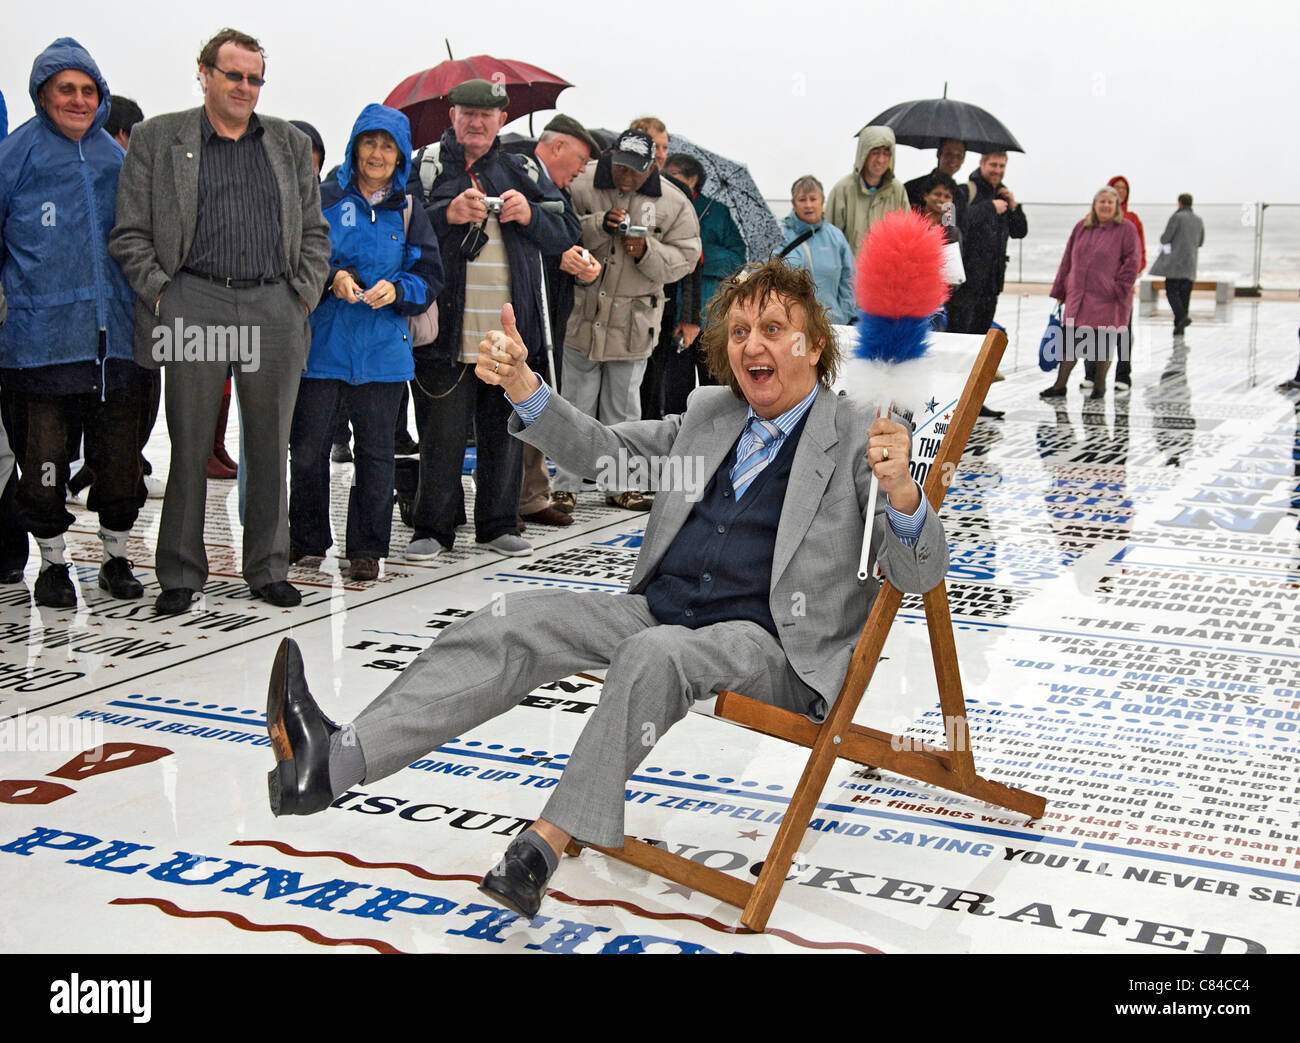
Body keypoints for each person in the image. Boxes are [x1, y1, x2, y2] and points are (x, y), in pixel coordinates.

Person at [264, 259, 948, 920]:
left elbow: (916, 574)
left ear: (815, 344)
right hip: (661, 610)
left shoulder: (862, 433)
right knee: (515, 621)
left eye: (773, 328)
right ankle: (334, 762)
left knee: (659, 654)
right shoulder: (711, 414)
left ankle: (542, 846)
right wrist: (527, 385)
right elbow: (599, 452)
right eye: (739, 332)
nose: (752, 345)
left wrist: (904, 494)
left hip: (770, 643)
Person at [110, 27, 331, 615]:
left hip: (273, 305)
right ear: (204, 73)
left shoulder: (285, 142)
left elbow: (314, 231)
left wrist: (301, 295)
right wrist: (164, 296)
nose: (245, 87)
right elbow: (129, 232)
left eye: (255, 78)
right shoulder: (159, 137)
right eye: (233, 74)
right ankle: (180, 573)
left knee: (268, 445)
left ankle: (267, 567)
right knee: (188, 444)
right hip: (194, 301)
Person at [0, 38, 149, 608]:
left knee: (119, 467)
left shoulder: (118, 161)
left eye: (89, 90)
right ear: (43, 94)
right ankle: (54, 564)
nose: (79, 100)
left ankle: (115, 555)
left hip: (115, 349)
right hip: (38, 348)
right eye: (68, 89)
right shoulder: (14, 158)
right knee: (41, 468)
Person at [402, 78, 578, 561]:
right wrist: (445, 214)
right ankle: (432, 529)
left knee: (505, 433)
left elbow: (567, 230)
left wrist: (530, 215)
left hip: (506, 336)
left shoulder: (521, 167)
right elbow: (398, 225)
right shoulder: (427, 166)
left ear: (502, 119)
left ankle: (499, 523)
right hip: (445, 332)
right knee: (441, 435)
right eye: (466, 113)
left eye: (486, 115)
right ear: (452, 117)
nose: (476, 123)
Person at [288, 104, 443, 583]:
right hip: (323, 350)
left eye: (388, 145)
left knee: (377, 456)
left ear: (402, 155)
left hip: (384, 353)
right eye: (369, 142)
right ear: (354, 146)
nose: (377, 153)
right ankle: (307, 539)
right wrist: (331, 277)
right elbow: (297, 261)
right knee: (309, 451)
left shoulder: (410, 208)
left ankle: (367, 549)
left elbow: (430, 275)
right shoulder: (324, 196)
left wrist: (398, 289)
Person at [550, 128, 700, 512]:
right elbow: (558, 232)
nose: (626, 176)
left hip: (635, 322)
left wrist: (646, 251)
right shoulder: (580, 182)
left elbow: (686, 258)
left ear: (652, 165)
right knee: (574, 404)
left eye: (635, 170)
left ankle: (621, 485)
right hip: (583, 316)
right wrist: (599, 224)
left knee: (623, 411)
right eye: (620, 167)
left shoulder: (674, 201)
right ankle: (565, 485)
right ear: (611, 155)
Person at [518, 114, 603, 526]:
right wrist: (558, 254)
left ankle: (531, 497)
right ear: (557, 147)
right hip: (517, 313)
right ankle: (501, 503)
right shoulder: (518, 175)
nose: (583, 169)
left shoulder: (558, 190)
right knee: (509, 408)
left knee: (537, 404)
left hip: (549, 316)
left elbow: (562, 238)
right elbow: (522, 240)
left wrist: (579, 266)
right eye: (581, 158)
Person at [1041, 185, 1141, 400]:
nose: (1105, 205)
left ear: (1116, 207)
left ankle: (1100, 385)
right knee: (1071, 344)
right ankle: (1060, 385)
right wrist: (1060, 289)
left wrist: (1119, 288)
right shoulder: (1082, 227)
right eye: (1101, 201)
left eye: (1110, 202)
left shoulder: (1126, 229)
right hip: (1079, 297)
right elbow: (1067, 258)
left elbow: (1133, 262)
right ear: (1094, 205)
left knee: (1103, 344)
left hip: (1109, 299)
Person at [640, 153, 705, 422]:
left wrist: (689, 318)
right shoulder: (644, 194)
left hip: (665, 306)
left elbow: (693, 265)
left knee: (656, 380)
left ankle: (652, 438)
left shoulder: (683, 206)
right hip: (633, 300)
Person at [1083, 175, 1146, 391]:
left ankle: (1123, 375)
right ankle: (1090, 374)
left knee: (1124, 330)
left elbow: (1139, 253)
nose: (1120, 191)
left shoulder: (1132, 221)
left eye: (1123, 189)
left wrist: (1128, 280)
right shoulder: (1093, 218)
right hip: (1097, 287)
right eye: (1115, 188)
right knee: (1093, 328)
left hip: (1121, 287)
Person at [781, 174, 856, 324]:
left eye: (813, 199)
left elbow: (850, 279)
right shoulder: (780, 235)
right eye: (802, 200)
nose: (808, 205)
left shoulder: (836, 237)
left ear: (822, 201)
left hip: (831, 324)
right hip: (790, 324)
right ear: (793, 203)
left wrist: (843, 315)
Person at [825, 125, 909, 256]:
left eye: (886, 153)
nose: (881, 159)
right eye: (875, 152)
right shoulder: (842, 190)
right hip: (851, 273)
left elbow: (906, 235)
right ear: (863, 153)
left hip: (886, 272)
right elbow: (829, 240)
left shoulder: (897, 190)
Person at [1149, 193, 1204, 340]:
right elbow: (1200, 242)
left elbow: (1166, 237)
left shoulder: (1176, 217)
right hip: (1191, 263)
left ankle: (1181, 317)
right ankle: (1179, 329)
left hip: (1175, 264)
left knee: (1171, 292)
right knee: (1185, 295)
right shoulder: (1199, 220)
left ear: (1179, 203)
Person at [904, 138, 968, 227]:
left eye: (959, 155)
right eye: (949, 154)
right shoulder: (913, 187)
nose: (954, 159)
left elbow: (961, 230)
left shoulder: (960, 196)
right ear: (938, 153)